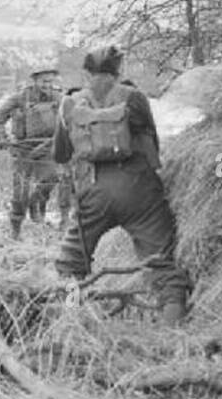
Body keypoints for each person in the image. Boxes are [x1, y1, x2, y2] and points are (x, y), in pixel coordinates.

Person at [52, 46, 192, 325]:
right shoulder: (135, 98)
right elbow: (153, 143)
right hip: (140, 191)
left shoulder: (69, 103)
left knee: (71, 264)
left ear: (86, 72)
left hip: (92, 191)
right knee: (161, 264)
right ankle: (174, 334)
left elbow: (60, 154)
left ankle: (69, 324)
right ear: (119, 71)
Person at [0, 66, 70, 239]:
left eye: (51, 81)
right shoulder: (19, 98)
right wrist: (1, 137)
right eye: (44, 81)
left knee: (52, 177)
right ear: (34, 81)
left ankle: (37, 202)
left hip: (48, 148)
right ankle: (15, 231)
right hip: (22, 151)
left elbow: (71, 119)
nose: (48, 85)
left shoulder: (60, 98)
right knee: (20, 193)